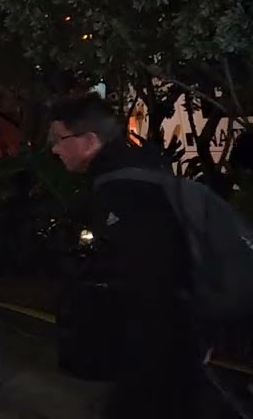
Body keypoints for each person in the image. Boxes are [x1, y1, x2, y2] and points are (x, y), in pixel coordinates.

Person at [49, 93, 195, 419]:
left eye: (60, 139)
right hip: (174, 330)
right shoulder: (139, 165)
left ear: (88, 140)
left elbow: (147, 274)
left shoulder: (123, 189)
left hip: (156, 338)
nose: (55, 148)